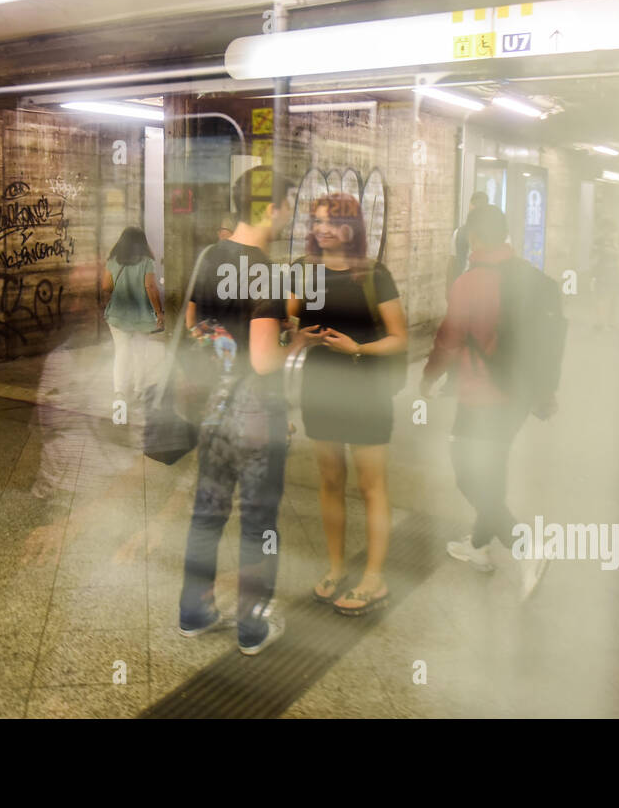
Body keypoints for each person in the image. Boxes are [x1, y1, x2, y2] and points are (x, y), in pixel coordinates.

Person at [178, 166, 312, 656]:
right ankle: (253, 626)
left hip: (214, 410)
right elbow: (263, 360)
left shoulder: (208, 257)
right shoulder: (267, 272)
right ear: (271, 208)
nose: (286, 216)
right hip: (257, 417)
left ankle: (193, 611)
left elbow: (195, 324)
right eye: (286, 206)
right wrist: (293, 338)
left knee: (206, 514)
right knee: (260, 522)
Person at [421, 205, 555, 601]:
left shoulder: (469, 282)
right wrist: (545, 393)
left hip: (482, 397)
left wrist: (428, 378)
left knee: (467, 474)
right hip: (519, 397)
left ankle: (526, 546)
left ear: (475, 239)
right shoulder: (529, 276)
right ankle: (479, 547)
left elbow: (449, 338)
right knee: (493, 469)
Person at [287, 193, 408, 617]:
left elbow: (399, 337)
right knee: (330, 479)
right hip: (319, 387)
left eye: (331, 221)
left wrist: (358, 348)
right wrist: (301, 338)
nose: (322, 229)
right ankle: (337, 567)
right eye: (317, 221)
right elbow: (290, 327)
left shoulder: (373, 274)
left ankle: (374, 578)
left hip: (367, 390)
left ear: (351, 228)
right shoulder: (303, 270)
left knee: (370, 484)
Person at [102, 226, 164, 405]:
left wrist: (121, 288)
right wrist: (159, 312)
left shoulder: (113, 260)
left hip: (117, 314)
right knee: (140, 353)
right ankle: (138, 390)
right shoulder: (147, 261)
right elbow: (151, 287)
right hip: (141, 315)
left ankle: (119, 392)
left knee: (121, 352)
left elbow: (106, 286)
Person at [446, 190, 490, 297]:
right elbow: (452, 263)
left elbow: (452, 264)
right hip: (469, 288)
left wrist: (449, 290)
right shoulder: (459, 233)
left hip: (477, 288)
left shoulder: (459, 233)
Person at [591, 216, 619, 329]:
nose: (608, 232)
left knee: (613, 296)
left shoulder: (616, 240)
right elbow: (593, 256)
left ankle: (609, 321)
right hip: (602, 272)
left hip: (612, 271)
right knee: (601, 296)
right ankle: (601, 321)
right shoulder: (598, 240)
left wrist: (611, 251)